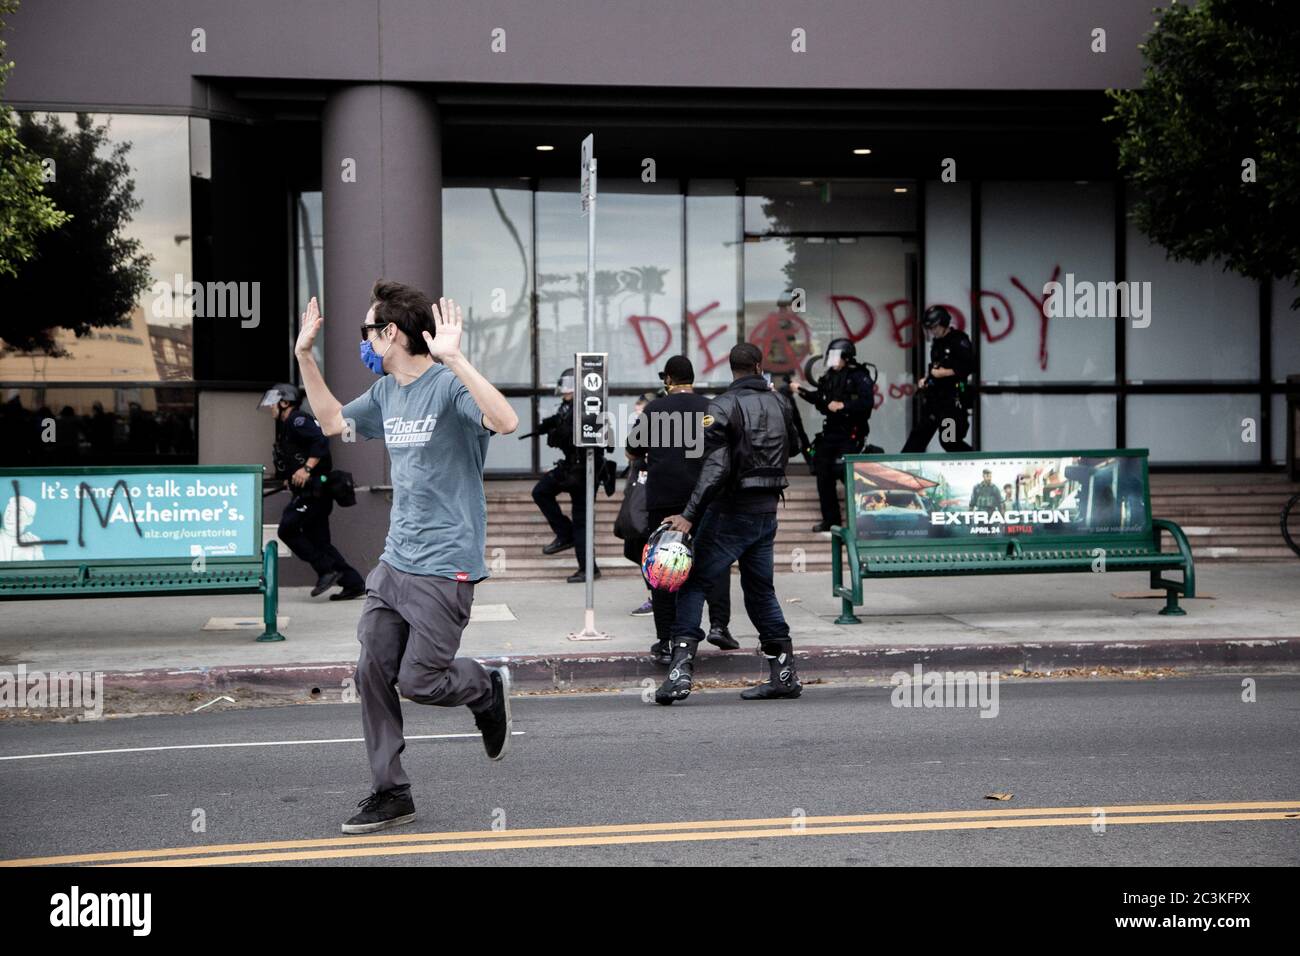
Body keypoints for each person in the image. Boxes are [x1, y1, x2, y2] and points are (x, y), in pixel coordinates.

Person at [292, 281, 519, 835]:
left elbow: (506, 421)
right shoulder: (387, 393)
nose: (364, 342)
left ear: (390, 333)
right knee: (371, 668)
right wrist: (304, 355)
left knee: (421, 680)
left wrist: (457, 358)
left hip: (445, 565)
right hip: (395, 562)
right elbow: (331, 422)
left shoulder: (448, 386)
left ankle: (484, 688)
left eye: (368, 331)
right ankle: (390, 791)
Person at [654, 343, 802, 705]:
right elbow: (796, 447)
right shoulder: (780, 402)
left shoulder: (722, 406)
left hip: (730, 512)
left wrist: (689, 516)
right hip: (766, 513)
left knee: (691, 585)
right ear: (758, 365)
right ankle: (784, 674)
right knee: (761, 591)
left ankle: (679, 673)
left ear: (730, 367)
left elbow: (716, 468)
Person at [628, 355, 735, 665]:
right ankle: (719, 626)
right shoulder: (711, 407)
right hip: (706, 499)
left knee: (663, 569)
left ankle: (666, 639)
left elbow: (632, 449)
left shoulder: (654, 409)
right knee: (715, 562)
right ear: (693, 378)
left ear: (669, 380)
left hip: (663, 501)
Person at [259, 382, 365, 600]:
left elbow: (320, 439)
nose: (271, 408)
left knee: (287, 529)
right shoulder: (287, 426)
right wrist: (293, 478)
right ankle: (353, 583)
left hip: (315, 491)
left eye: (274, 404)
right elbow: (296, 457)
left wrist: (307, 469)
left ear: (285, 403)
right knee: (320, 542)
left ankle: (326, 570)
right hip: (310, 490)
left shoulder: (298, 420)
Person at [531, 369, 615, 583]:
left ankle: (588, 568)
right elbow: (559, 423)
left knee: (582, 521)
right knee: (541, 492)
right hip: (571, 467)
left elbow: (568, 435)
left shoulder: (588, 407)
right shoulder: (568, 406)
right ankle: (565, 534)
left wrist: (555, 432)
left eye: (568, 385)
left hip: (585, 469)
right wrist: (548, 425)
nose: (564, 390)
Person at [790, 338, 874, 531]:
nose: (833, 361)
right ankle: (831, 521)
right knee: (822, 471)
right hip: (831, 433)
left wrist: (844, 405)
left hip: (851, 434)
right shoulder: (829, 377)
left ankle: (862, 522)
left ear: (846, 357)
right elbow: (821, 401)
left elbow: (867, 403)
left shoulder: (859, 375)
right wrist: (802, 391)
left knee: (847, 474)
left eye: (837, 357)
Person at [901, 305, 974, 453]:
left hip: (952, 401)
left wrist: (946, 373)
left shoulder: (959, 340)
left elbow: (969, 366)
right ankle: (904, 465)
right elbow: (936, 367)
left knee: (949, 441)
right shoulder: (936, 343)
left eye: (935, 327)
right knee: (919, 436)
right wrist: (927, 378)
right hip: (935, 399)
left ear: (944, 324)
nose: (933, 332)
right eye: (930, 329)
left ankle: (975, 462)